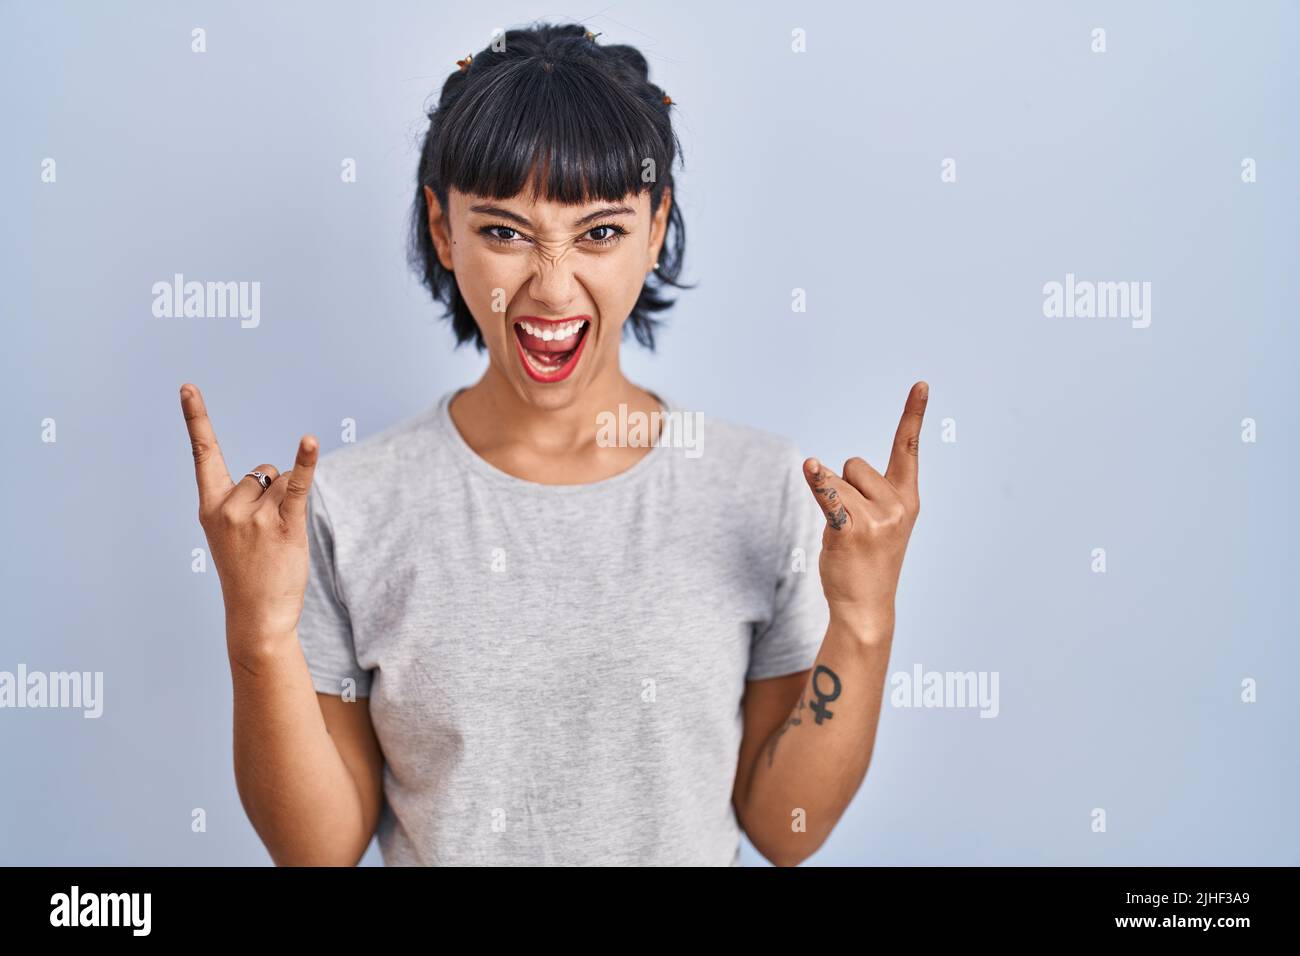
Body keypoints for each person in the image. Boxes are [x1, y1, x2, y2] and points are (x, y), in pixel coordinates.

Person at [178, 21, 927, 866]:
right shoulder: (347, 509)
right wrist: (258, 630)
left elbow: (788, 828)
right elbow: (317, 851)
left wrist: (864, 621)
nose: (552, 285)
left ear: (655, 228)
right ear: (442, 228)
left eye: (600, 232)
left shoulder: (761, 490)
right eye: (504, 232)